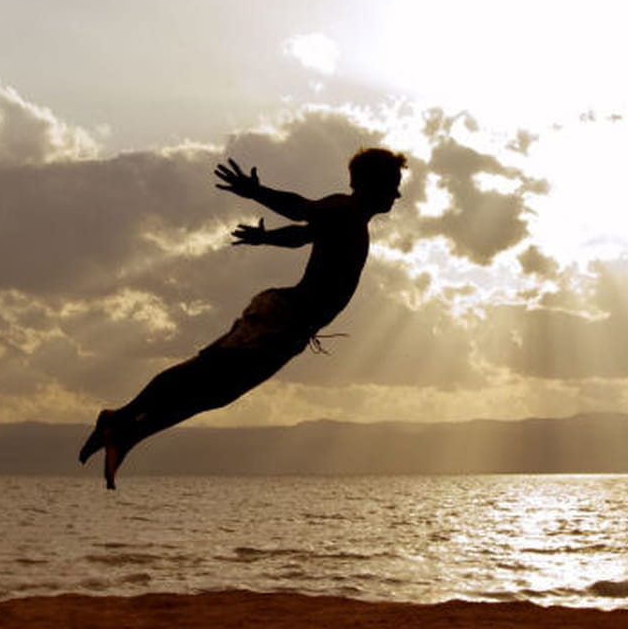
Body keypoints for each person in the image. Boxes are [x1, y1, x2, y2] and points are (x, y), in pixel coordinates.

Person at [79, 147, 407, 488]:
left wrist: (266, 237)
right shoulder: (344, 209)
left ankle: (128, 433)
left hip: (293, 328)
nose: (398, 193)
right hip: (281, 318)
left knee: (217, 394)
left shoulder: (348, 220)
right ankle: (121, 418)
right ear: (371, 183)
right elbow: (300, 209)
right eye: (393, 183)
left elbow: (302, 235)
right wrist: (255, 192)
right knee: (202, 374)